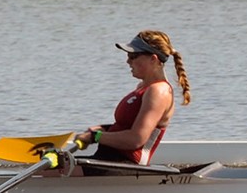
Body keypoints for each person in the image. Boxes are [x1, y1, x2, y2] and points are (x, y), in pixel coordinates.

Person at [69, 30, 191, 173]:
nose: (128, 61)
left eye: (133, 56)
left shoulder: (159, 91)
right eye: (128, 56)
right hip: (108, 160)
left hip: (126, 166)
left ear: (153, 59)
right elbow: (125, 127)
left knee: (48, 173)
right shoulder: (143, 88)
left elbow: (136, 139)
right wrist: (102, 129)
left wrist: (96, 137)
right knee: (52, 168)